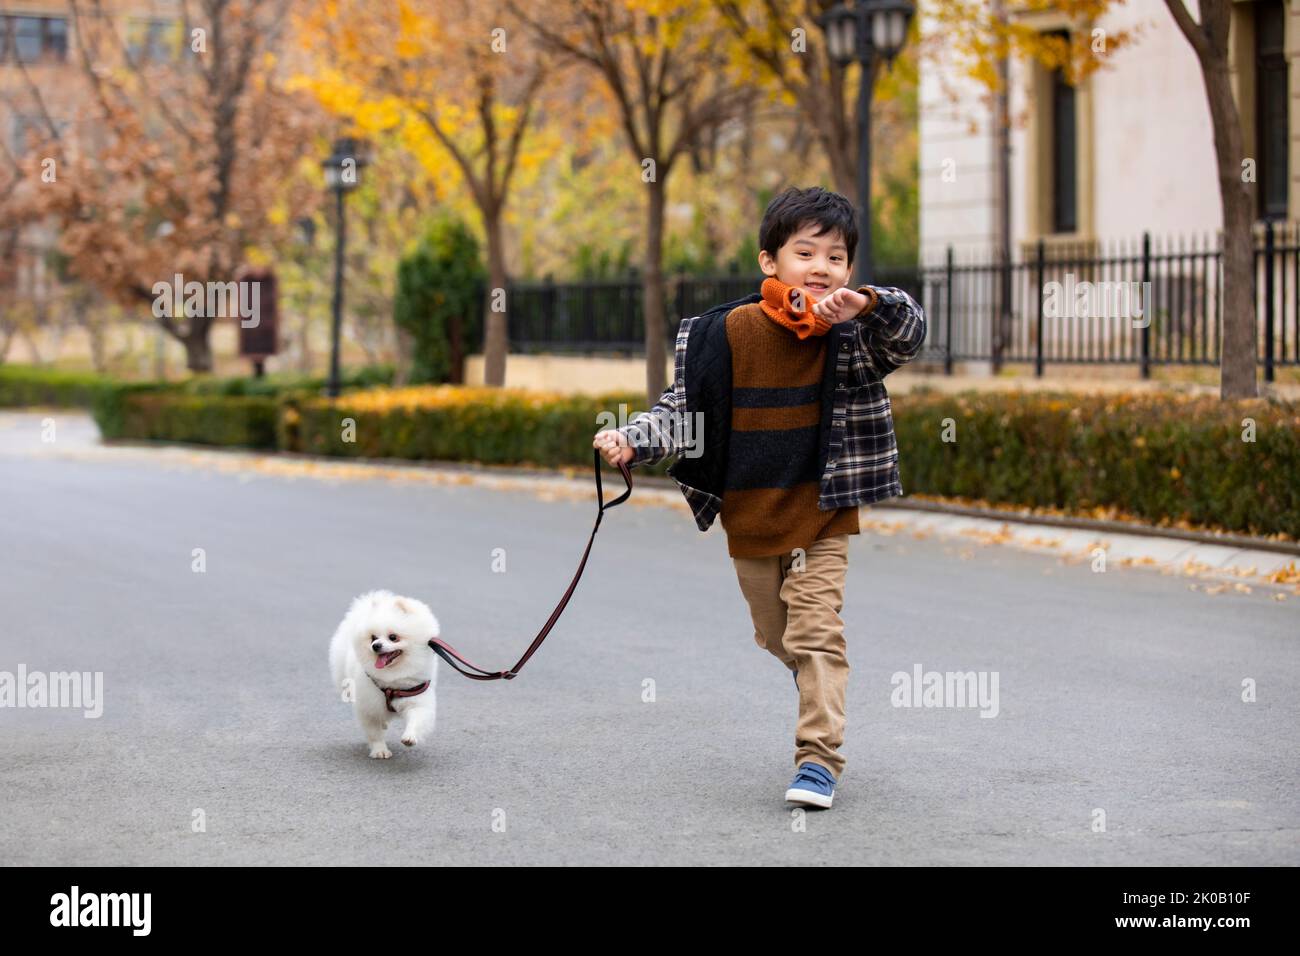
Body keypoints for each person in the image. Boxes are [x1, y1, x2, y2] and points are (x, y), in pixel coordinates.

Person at [593, 185, 927, 808]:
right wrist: (633, 441)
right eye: (807, 252)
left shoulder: (855, 335)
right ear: (769, 261)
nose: (823, 267)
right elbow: (682, 409)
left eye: (837, 257)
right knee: (779, 638)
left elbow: (910, 331)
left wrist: (870, 305)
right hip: (749, 515)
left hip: (822, 513)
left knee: (817, 634)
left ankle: (817, 760)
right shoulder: (728, 332)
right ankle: (819, 685)